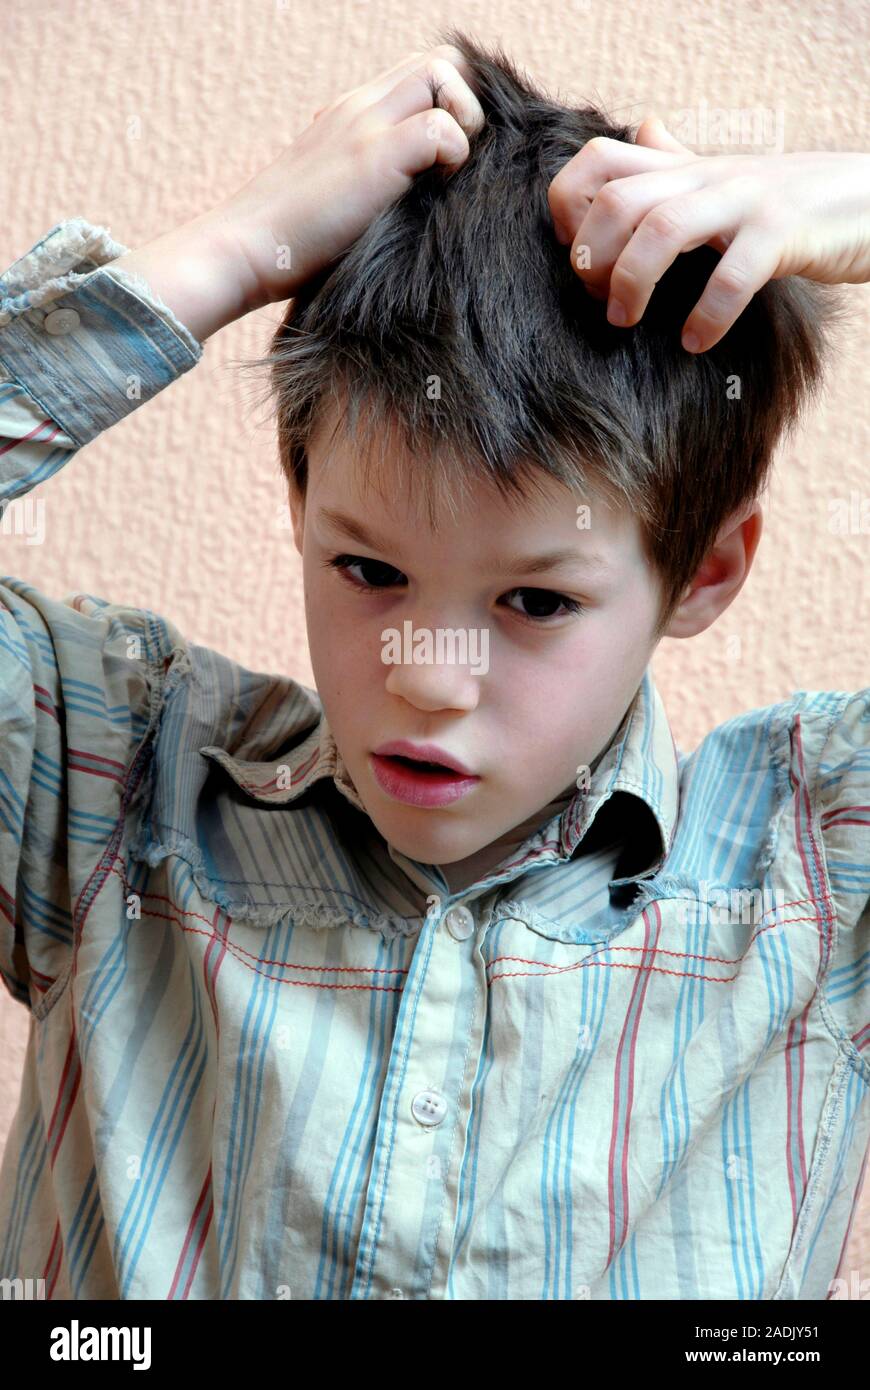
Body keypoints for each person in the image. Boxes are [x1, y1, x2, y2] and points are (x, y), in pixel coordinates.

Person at [0, 26, 867, 1300]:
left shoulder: (815, 877)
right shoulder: (110, 790)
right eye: (369, 572)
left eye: (533, 599)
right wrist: (229, 255)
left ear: (705, 573)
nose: (427, 674)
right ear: (301, 508)